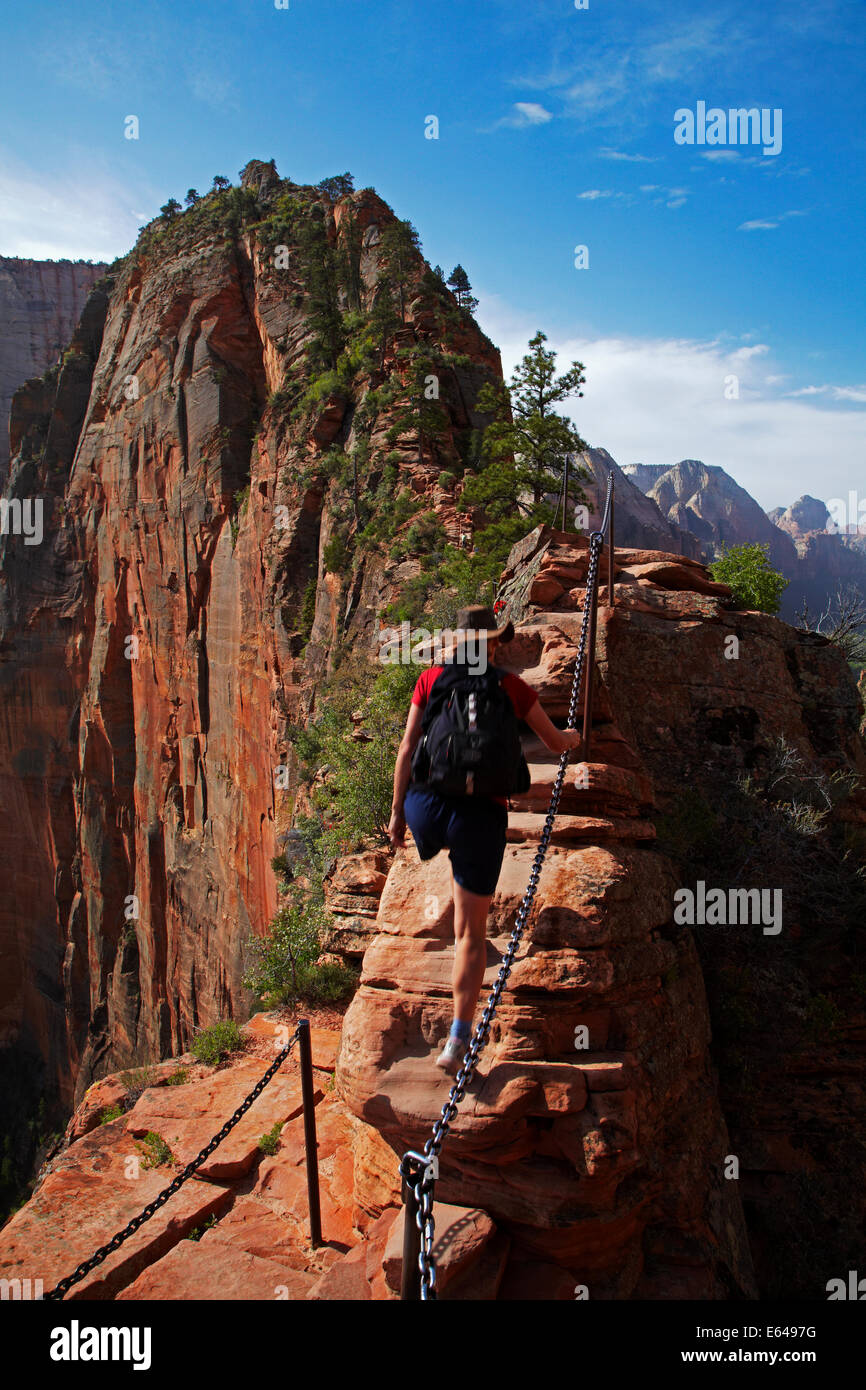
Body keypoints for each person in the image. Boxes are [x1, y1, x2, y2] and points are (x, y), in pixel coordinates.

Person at [387, 605, 582, 1074]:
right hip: (482, 818)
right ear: (493, 644)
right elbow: (554, 744)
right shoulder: (511, 687)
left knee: (438, 840)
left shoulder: (430, 680)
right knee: (470, 933)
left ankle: (430, 841)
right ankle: (457, 1040)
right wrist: (574, 736)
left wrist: (397, 815)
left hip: (430, 809)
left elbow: (408, 749)